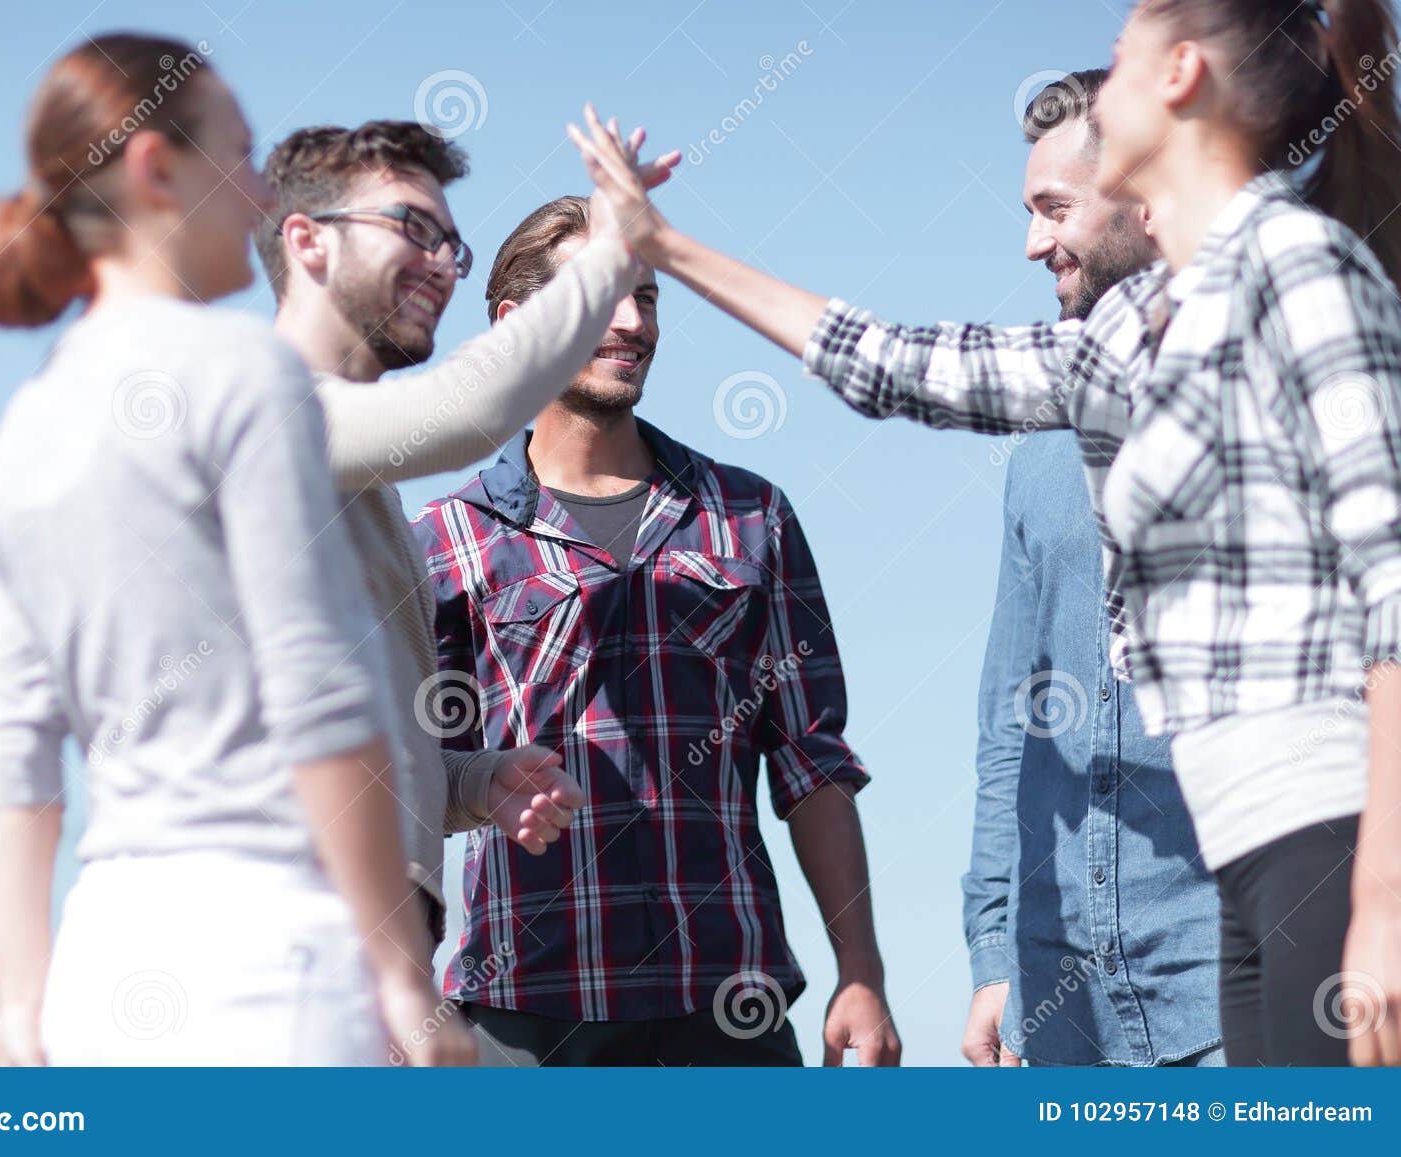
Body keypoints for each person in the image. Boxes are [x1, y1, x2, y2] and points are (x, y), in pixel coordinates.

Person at [570, 0, 1401, 1066]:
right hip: (1248, 851)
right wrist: (667, 248)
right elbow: (903, 366)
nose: (1105, 82)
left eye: (1121, 57)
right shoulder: (1139, 328)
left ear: (1181, 74)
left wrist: (1380, 890)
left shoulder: (1299, 264)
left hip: (1327, 837)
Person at [0, 34, 471, 1066]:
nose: (252, 199)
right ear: (157, 170)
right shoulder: (245, 371)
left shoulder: (29, 422)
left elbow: (14, 735)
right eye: (236, 157)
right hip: (277, 956)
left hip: (101, 967)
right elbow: (319, 687)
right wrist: (402, 974)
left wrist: (19, 1002)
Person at [411, 195, 900, 1067]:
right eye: (604, 296)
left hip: (727, 1015)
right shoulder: (449, 541)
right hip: (521, 1018)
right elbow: (410, 786)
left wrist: (860, 972)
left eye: (648, 297)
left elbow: (811, 759)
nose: (633, 323)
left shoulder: (751, 515)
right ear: (515, 324)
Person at [254, 120, 677, 953]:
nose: (444, 262)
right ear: (306, 241)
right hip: (282, 937)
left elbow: (367, 748)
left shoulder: (360, 475)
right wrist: (609, 246)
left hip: (362, 944)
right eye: (412, 228)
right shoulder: (264, 412)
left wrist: (477, 783)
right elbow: (471, 410)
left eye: (451, 241)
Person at [961, 70, 1221, 1069]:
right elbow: (1006, 721)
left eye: (1053, 209)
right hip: (1059, 995)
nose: (1033, 244)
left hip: (1224, 976)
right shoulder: (1038, 448)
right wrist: (994, 950)